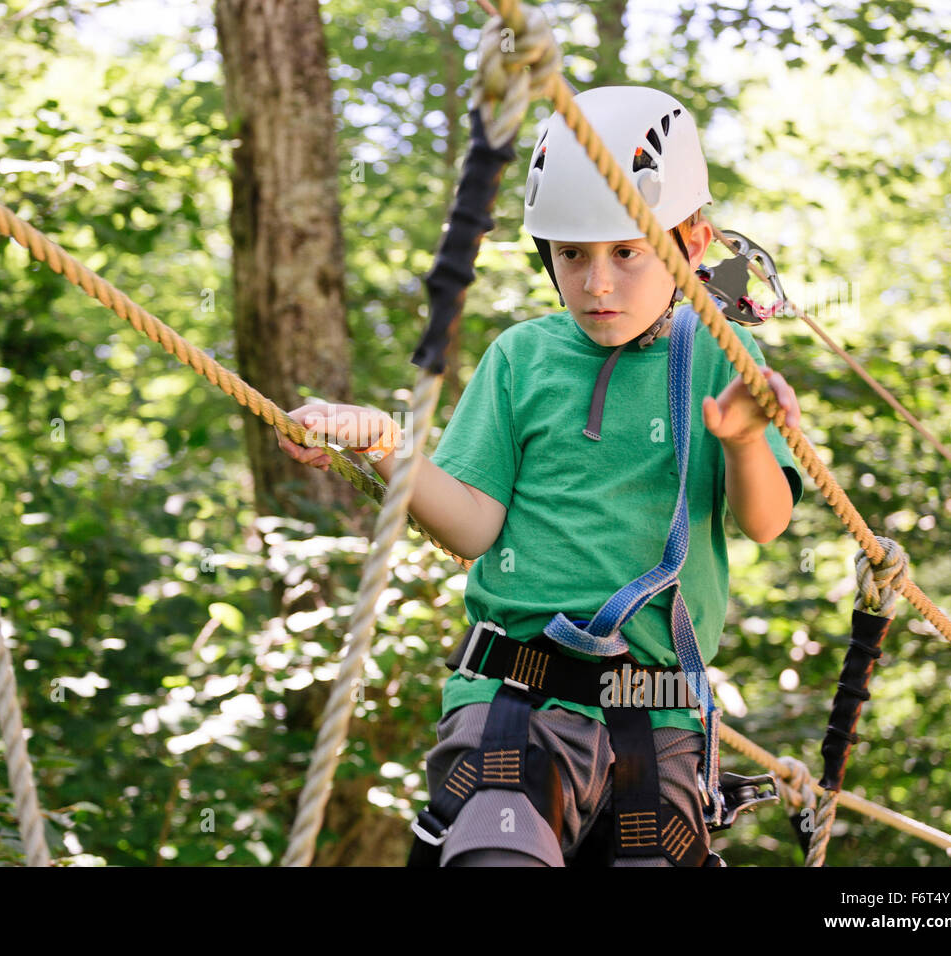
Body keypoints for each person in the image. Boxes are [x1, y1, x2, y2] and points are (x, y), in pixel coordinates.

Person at [275, 86, 804, 866]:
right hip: (517, 699)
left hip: (657, 717)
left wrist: (743, 441)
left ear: (690, 244)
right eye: (572, 254)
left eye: (627, 252)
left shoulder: (725, 359)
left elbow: (765, 521)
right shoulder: (523, 358)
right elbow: (473, 526)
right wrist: (389, 447)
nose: (596, 283)